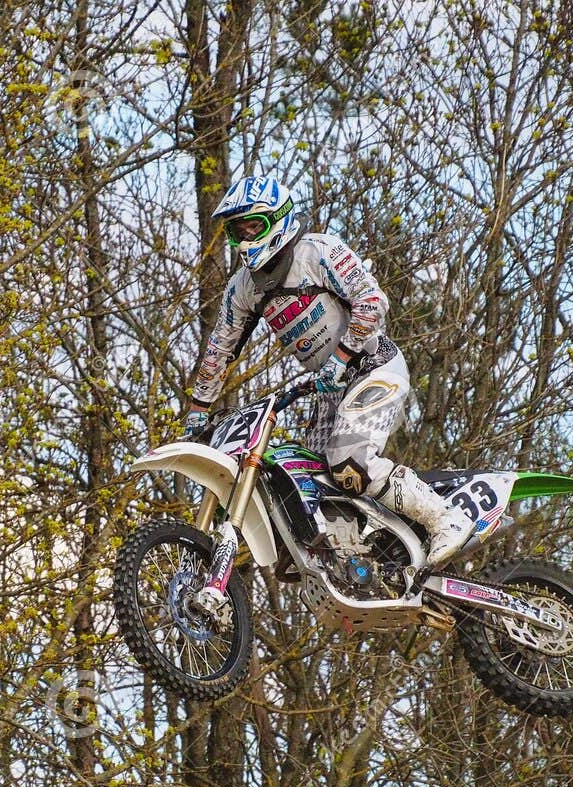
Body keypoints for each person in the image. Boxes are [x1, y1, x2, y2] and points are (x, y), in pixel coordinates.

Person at [183, 175, 474, 567]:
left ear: (278, 220)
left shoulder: (318, 252)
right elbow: (219, 347)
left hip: (373, 367)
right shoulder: (242, 288)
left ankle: (446, 519)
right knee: (308, 485)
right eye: (239, 230)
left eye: (255, 226)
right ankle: (370, 557)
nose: (247, 237)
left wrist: (342, 356)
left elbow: (372, 302)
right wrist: (199, 410)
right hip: (328, 389)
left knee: (349, 463)